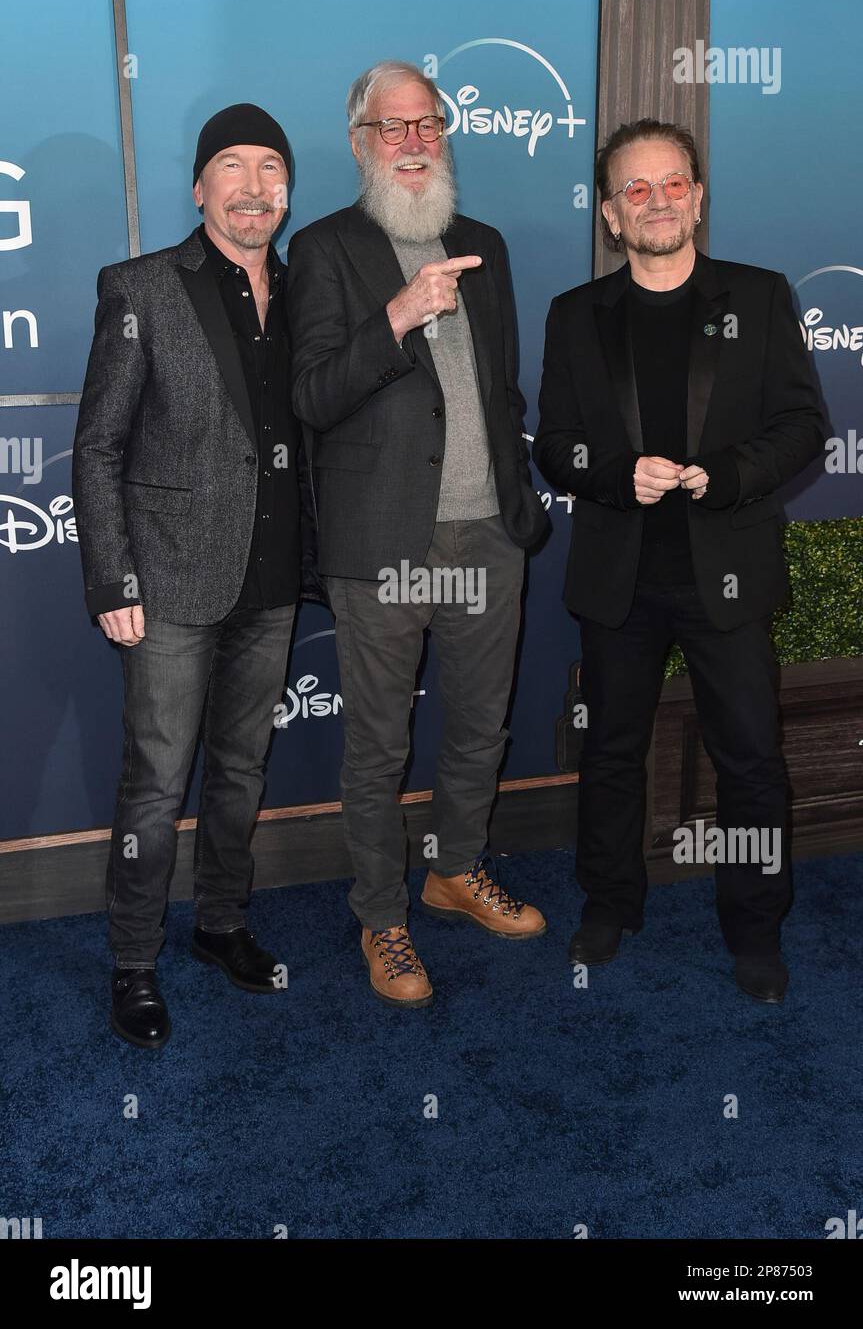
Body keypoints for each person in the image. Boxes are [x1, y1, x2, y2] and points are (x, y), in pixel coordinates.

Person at [533, 118, 825, 1004]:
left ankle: (754, 926)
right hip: (618, 575)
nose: (656, 201)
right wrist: (618, 474)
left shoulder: (761, 295)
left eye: (672, 184)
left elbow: (804, 425)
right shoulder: (576, 315)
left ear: (696, 197)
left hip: (726, 572)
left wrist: (727, 474)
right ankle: (611, 903)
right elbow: (555, 448)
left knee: (749, 759)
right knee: (611, 753)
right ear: (611, 216)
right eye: (635, 189)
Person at [287, 61, 550, 1008]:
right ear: (360, 142)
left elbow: (504, 386)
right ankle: (381, 917)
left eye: (428, 125)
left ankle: (453, 871)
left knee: (480, 723)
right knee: (378, 746)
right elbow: (311, 395)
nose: (412, 142)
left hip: (487, 533)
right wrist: (399, 315)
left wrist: (519, 506)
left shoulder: (484, 244)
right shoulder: (322, 250)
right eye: (391, 127)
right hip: (383, 542)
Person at [73, 104, 314, 1048]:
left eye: (270, 169)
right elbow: (97, 448)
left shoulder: (305, 295)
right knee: (155, 780)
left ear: (286, 190)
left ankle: (221, 924)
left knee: (242, 767)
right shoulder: (141, 287)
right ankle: (134, 960)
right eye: (233, 167)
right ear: (199, 187)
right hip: (169, 580)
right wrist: (111, 581)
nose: (254, 186)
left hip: (272, 574)